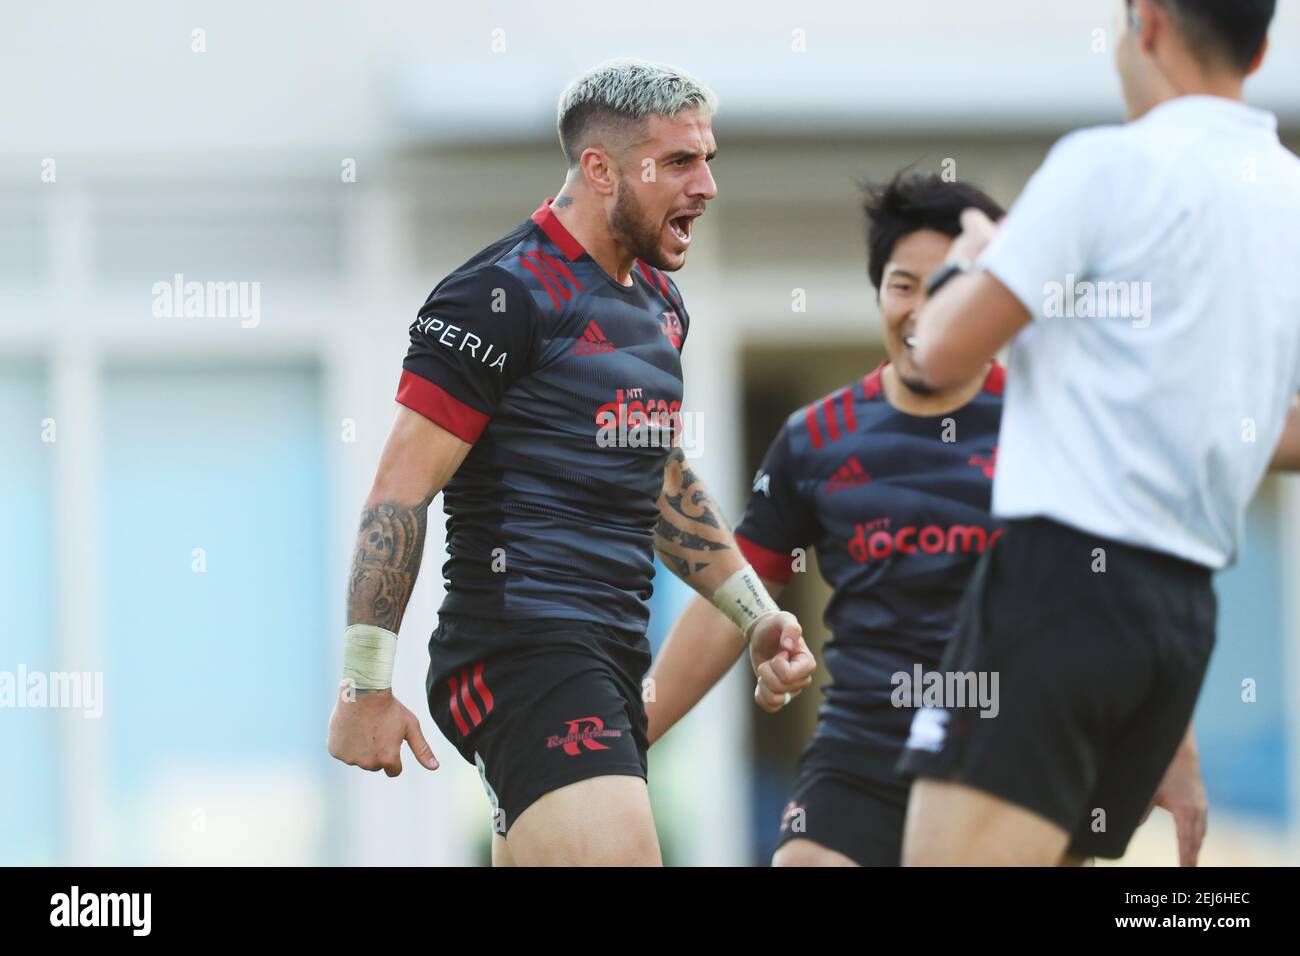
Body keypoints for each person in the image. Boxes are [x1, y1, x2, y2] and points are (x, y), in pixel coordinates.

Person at [325, 58, 812, 867]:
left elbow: (659, 479)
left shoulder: (661, 305)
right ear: (599, 168)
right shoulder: (495, 295)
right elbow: (398, 494)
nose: (707, 186)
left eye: (710, 161)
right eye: (681, 162)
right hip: (522, 653)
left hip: (611, 659)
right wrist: (364, 685)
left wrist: (756, 617)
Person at [898, 0, 1300, 866]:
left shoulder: (1105, 166)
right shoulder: (1289, 198)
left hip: (1056, 592)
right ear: (1262, 46)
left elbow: (935, 356)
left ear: (1145, 25)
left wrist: (973, 260)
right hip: (1181, 621)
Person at [647, 172, 1015, 866]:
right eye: (903, 285)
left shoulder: (1045, 416)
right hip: (864, 748)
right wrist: (629, 741)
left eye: (949, 287)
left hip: (1012, 748)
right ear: (879, 291)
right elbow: (736, 592)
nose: (922, 310)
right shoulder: (818, 438)